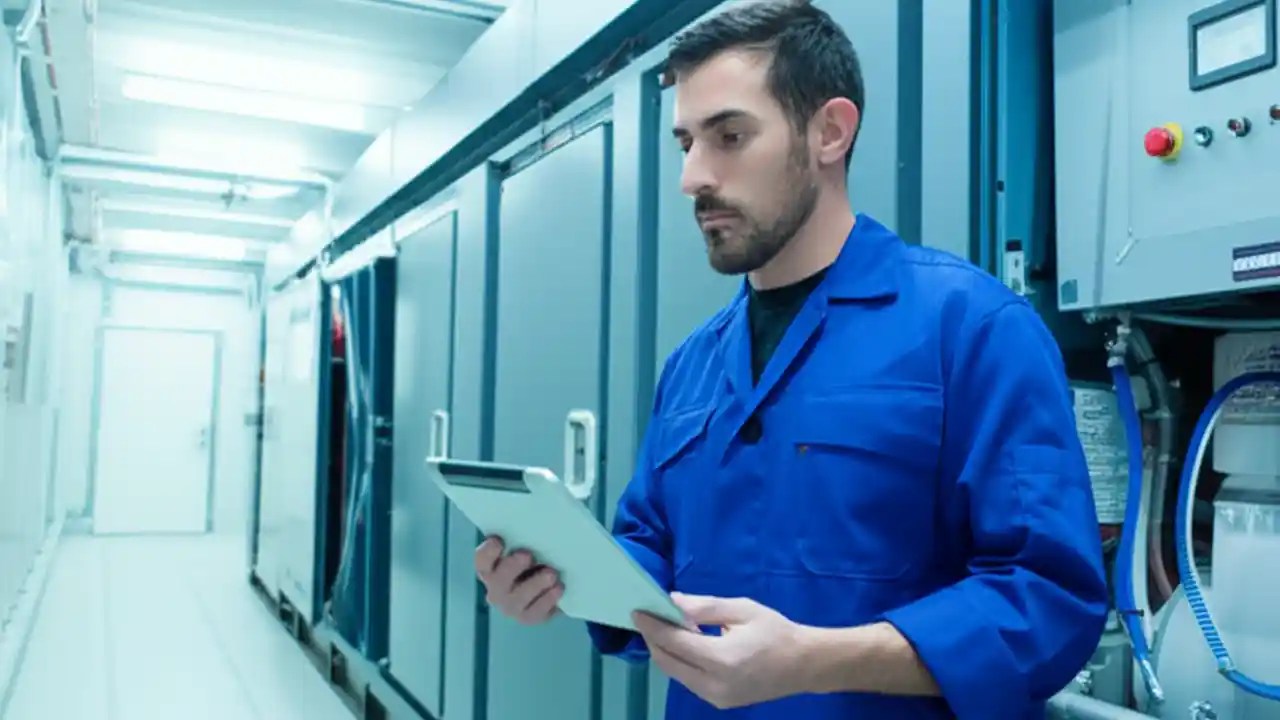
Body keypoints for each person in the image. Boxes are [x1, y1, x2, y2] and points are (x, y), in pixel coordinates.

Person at [474, 1, 1109, 717]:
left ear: (829, 132)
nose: (692, 177)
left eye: (729, 136)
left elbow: (1049, 601)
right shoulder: (693, 363)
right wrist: (566, 579)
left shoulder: (973, 328)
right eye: (685, 142)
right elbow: (649, 545)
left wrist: (815, 660)